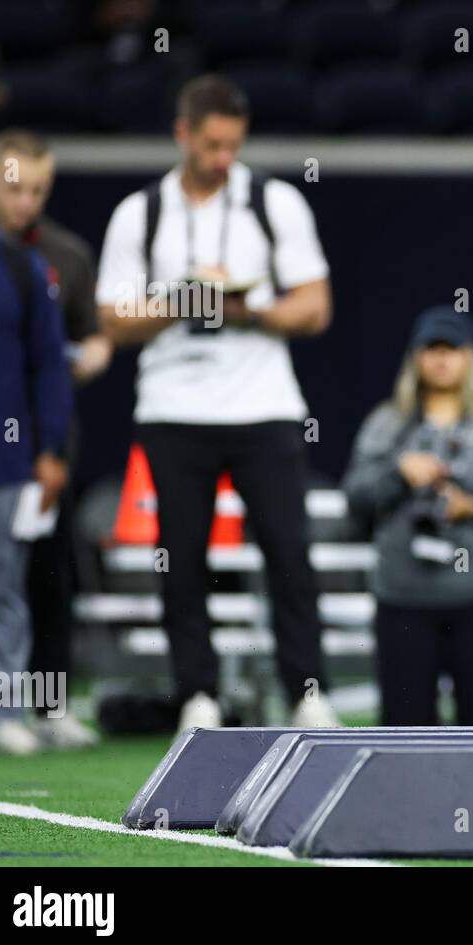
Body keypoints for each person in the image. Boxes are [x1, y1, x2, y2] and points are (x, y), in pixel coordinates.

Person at [95, 75, 337, 730]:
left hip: (264, 405)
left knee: (289, 552)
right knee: (180, 557)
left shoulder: (275, 202)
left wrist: (247, 310)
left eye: (233, 146)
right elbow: (114, 320)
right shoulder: (140, 212)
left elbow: (315, 306)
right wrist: (184, 301)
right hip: (174, 408)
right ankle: (196, 695)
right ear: (182, 135)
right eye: (211, 146)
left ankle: (308, 692)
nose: (223, 159)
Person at [342, 306, 473, 726]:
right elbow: (355, 498)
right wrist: (398, 474)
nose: (441, 359)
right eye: (431, 349)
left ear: (469, 357)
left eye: (451, 349)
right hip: (404, 600)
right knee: (402, 733)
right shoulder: (387, 424)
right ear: (415, 359)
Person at [0, 127, 111, 749]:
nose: (23, 201)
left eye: (37, 189)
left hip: (43, 442)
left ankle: (46, 705)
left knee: (48, 576)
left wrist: (92, 355)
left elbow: (93, 336)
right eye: (13, 187)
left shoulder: (67, 256)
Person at [0, 137, 72, 754]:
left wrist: (50, 449)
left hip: (0, 458)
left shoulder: (20, 269)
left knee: (1, 588)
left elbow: (50, 367)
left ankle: (3, 715)